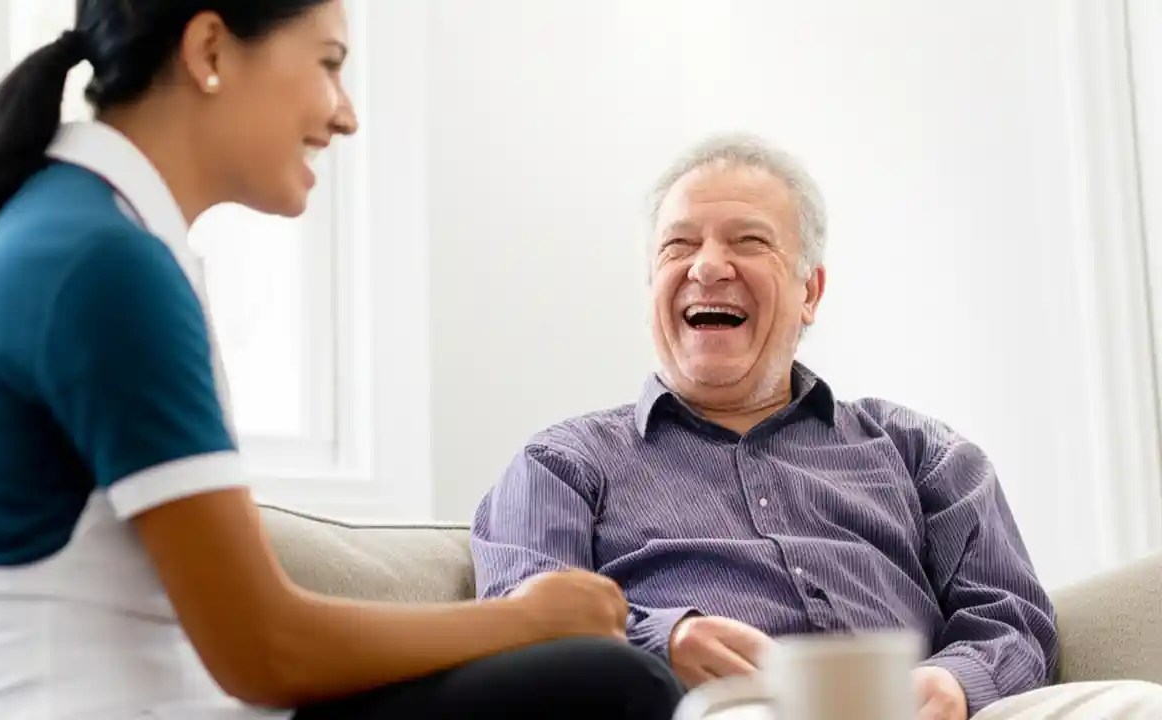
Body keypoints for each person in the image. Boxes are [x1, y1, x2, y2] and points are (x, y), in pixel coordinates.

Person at [0, 2, 684, 718]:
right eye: (330, 63)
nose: (347, 116)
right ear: (209, 50)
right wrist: (525, 620)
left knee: (597, 676)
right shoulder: (102, 263)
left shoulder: (87, 233)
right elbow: (263, 650)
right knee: (609, 684)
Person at [470, 133, 1162, 720]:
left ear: (811, 292)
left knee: (1135, 704)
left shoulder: (922, 453)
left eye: (748, 241)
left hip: (927, 712)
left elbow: (1013, 617)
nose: (707, 265)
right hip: (721, 710)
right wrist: (662, 637)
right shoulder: (562, 463)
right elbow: (518, 619)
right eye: (677, 246)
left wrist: (954, 683)